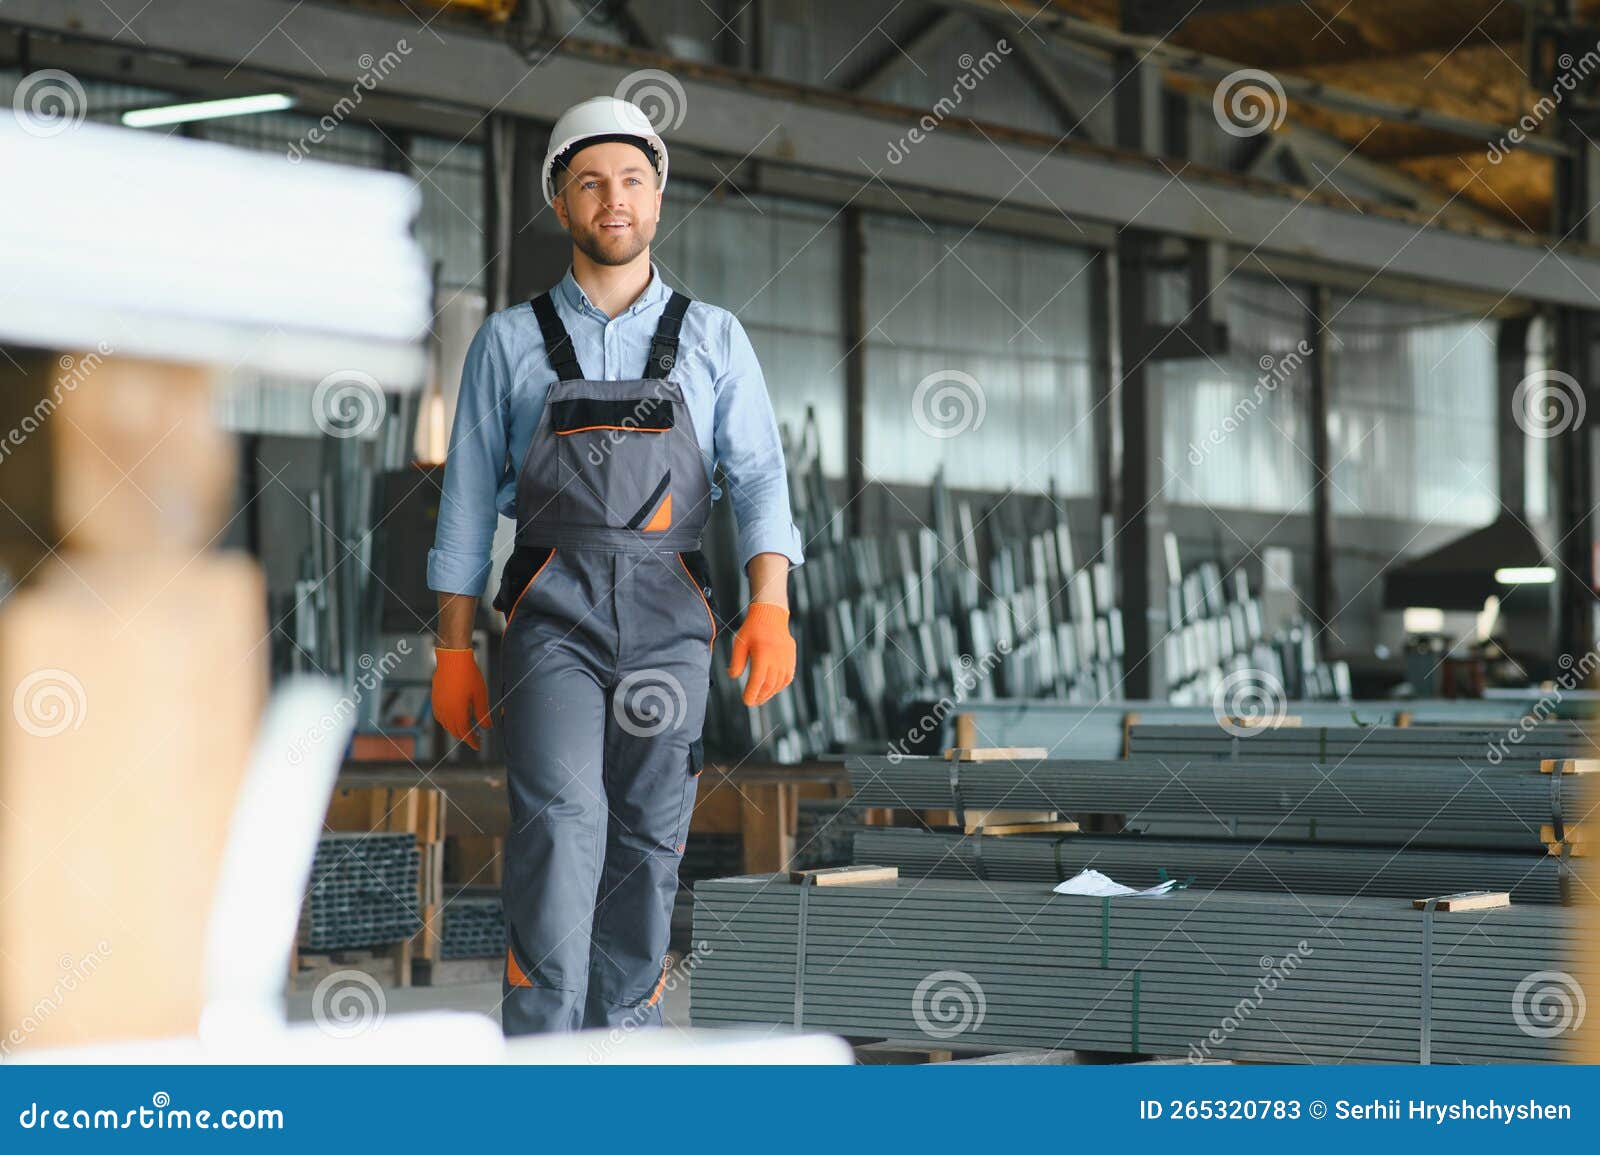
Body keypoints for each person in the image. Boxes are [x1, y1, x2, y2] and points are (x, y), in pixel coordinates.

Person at [426, 95, 803, 1035]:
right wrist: (453, 647)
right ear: (560, 201)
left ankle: (623, 1045)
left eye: (632, 179)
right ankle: (542, 1052)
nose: (614, 199)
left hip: (670, 619)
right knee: (559, 822)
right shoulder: (510, 342)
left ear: (658, 196)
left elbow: (760, 477)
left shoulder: (714, 337)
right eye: (590, 182)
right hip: (553, 616)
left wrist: (772, 603)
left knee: (649, 836)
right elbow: (465, 502)